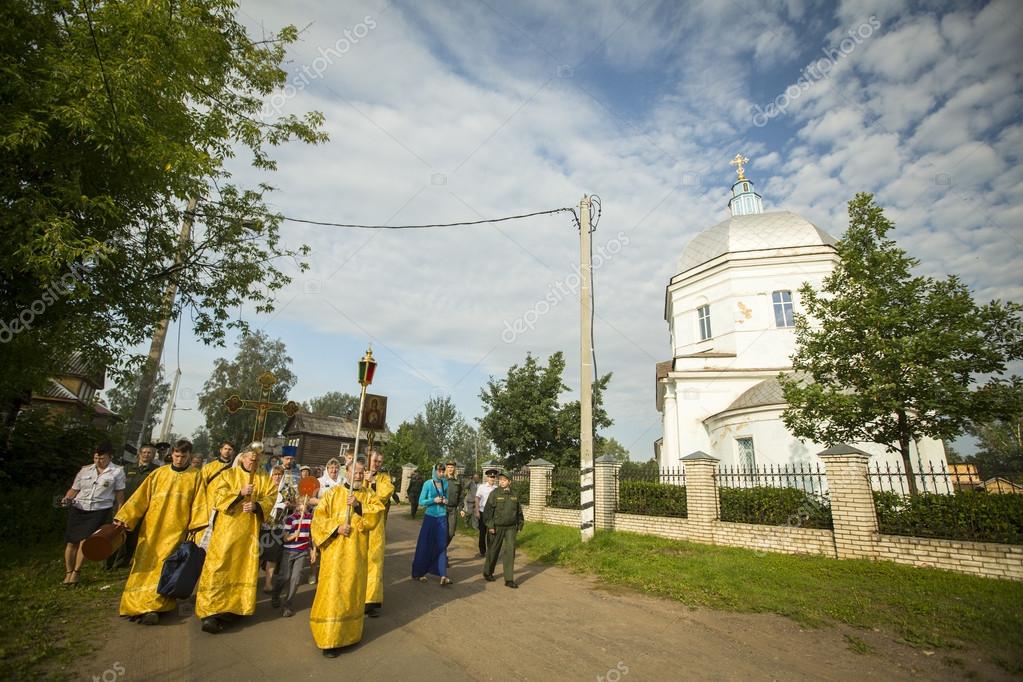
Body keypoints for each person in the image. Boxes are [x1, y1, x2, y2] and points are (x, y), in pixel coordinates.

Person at [113, 439, 204, 624]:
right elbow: (140, 498)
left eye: (183, 456)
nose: (179, 460)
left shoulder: (196, 476)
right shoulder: (158, 473)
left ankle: (155, 607)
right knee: (143, 564)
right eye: (177, 456)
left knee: (166, 567)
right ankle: (134, 604)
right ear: (172, 454)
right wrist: (125, 517)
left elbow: (199, 504)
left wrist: (195, 529)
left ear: (190, 456)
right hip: (151, 528)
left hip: (176, 530)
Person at [193, 443, 277, 634]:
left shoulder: (264, 479)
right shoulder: (228, 475)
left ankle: (235, 609)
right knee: (219, 566)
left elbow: (270, 498)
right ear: (242, 458)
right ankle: (211, 611)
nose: (252, 463)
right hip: (226, 532)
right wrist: (239, 494)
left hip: (248, 535)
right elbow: (218, 497)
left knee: (241, 569)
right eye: (249, 459)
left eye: (256, 460)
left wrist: (256, 505)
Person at [310, 458, 385, 658]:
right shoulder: (333, 494)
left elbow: (376, 516)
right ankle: (329, 639)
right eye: (356, 472)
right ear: (347, 473)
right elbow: (318, 521)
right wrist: (336, 527)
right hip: (334, 555)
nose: (359, 476)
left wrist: (359, 506)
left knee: (351, 592)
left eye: (362, 473)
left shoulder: (369, 495)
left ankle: (349, 634)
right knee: (333, 593)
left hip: (357, 554)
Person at [60, 443, 126, 586]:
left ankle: (76, 573)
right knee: (72, 541)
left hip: (99, 510)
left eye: (102, 458)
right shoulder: (84, 471)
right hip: (79, 508)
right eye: (96, 458)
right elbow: (74, 489)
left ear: (110, 457)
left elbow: (119, 495)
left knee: (85, 540)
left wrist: (120, 514)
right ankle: (68, 572)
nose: (98, 461)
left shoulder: (117, 472)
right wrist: (67, 498)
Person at [107, 443, 160, 570]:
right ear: (139, 454)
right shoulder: (126, 468)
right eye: (144, 452)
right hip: (124, 506)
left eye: (150, 453)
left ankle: (123, 562)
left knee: (132, 537)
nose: (146, 455)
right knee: (115, 535)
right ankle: (108, 563)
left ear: (153, 455)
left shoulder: (157, 471)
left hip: (142, 509)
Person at [271, 498, 315, 618]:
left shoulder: (310, 518)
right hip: (289, 551)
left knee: (295, 579)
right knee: (284, 576)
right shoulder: (291, 519)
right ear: (296, 506)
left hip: (302, 551)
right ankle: (275, 595)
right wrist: (293, 535)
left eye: (305, 505)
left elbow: (312, 536)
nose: (302, 507)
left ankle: (287, 605)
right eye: (301, 504)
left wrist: (313, 550)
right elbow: (285, 538)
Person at [411, 463, 452, 586]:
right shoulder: (428, 484)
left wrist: (445, 501)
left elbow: (448, 499)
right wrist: (433, 500)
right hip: (430, 517)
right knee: (425, 544)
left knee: (442, 544)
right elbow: (421, 501)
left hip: (442, 517)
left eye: (442, 471)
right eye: (439, 471)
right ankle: (419, 572)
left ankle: (443, 575)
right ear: (434, 471)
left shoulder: (445, 483)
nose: (441, 473)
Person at [482, 470, 525, 588]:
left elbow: (518, 511)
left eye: (504, 480)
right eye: (500, 480)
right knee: (493, 550)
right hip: (496, 527)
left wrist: (520, 523)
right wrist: (490, 526)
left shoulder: (514, 495)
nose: (501, 482)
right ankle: (488, 571)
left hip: (511, 528)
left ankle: (509, 579)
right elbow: (487, 512)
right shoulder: (494, 494)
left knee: (510, 551)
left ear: (509, 482)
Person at [364, 449, 394, 617]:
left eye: (379, 462)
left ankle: (371, 602)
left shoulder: (384, 478)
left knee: (374, 562)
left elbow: (384, 495)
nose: (376, 464)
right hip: (359, 524)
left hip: (376, 526)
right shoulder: (359, 473)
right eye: (375, 460)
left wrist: (373, 481)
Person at [261, 466, 286, 593]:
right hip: (262, 527)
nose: (277, 477)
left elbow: (296, 504)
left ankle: (268, 583)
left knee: (272, 556)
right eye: (275, 475)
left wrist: (290, 505)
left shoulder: (287, 491)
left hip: (278, 528)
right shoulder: (264, 488)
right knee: (258, 555)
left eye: (279, 475)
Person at [475, 468, 499, 557]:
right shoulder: (481, 487)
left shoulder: (497, 488)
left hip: (492, 514)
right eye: (490, 477)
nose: (492, 479)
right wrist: (477, 511)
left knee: (492, 533)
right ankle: (482, 550)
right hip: (482, 512)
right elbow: (477, 498)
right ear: (487, 478)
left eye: (493, 477)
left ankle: (491, 550)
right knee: (482, 533)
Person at [443, 461, 466, 547]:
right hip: (443, 508)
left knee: (451, 533)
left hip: (453, 510)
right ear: (446, 468)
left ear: (454, 468)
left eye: (452, 467)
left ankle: (442, 548)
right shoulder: (442, 479)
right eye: (448, 467)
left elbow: (461, 496)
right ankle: (441, 553)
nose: (450, 469)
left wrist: (461, 509)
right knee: (442, 531)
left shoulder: (458, 480)